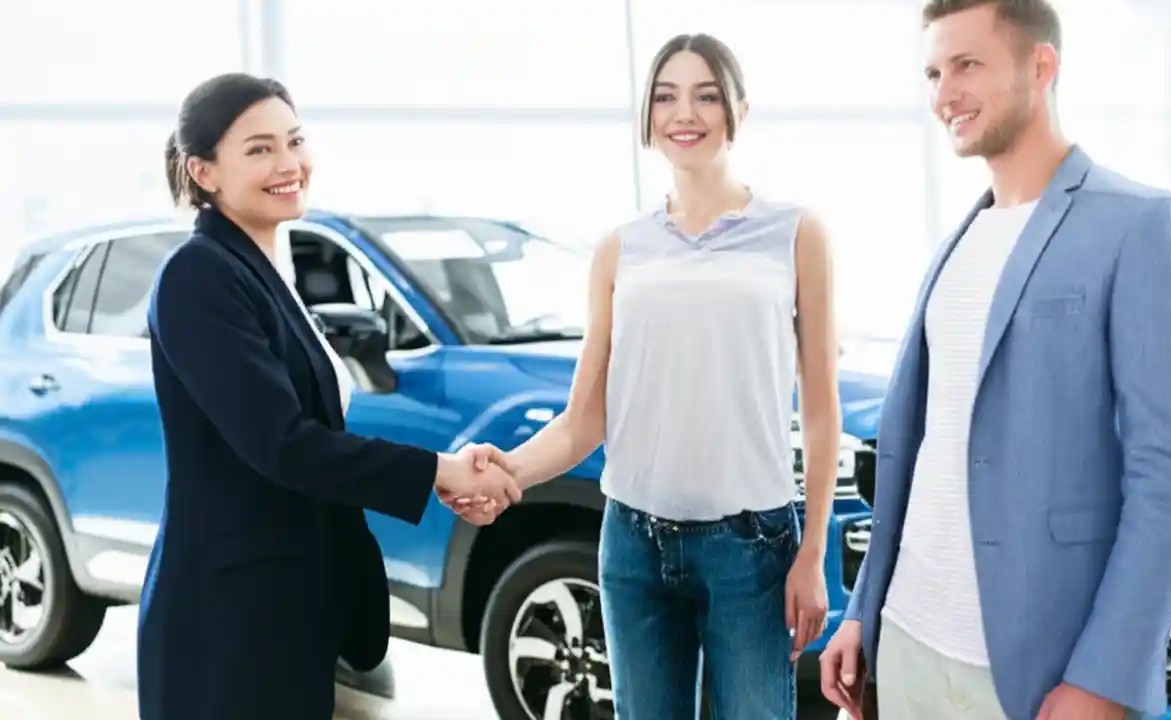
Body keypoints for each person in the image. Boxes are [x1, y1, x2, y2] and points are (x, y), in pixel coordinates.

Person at [819, 1, 1171, 719]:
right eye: (933, 72)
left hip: (1032, 667)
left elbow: (1169, 476)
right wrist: (861, 614)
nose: (943, 94)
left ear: (1041, 66)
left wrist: (1106, 678)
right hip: (905, 644)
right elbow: (918, 455)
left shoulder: (1141, 224)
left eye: (967, 64)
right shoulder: (957, 243)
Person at [446, 33, 842, 719]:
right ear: (648, 117)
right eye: (665, 97)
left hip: (749, 545)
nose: (683, 113)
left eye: (705, 95)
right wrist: (505, 472)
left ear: (738, 111)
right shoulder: (620, 248)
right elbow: (583, 421)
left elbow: (822, 410)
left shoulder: (795, 233)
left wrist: (811, 553)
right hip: (634, 541)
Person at [136, 73, 521, 720]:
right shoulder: (197, 276)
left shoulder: (263, 271)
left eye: (294, 140)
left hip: (283, 611)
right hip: (226, 625)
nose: (288, 164)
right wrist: (439, 472)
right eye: (259, 150)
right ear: (204, 172)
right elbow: (282, 444)